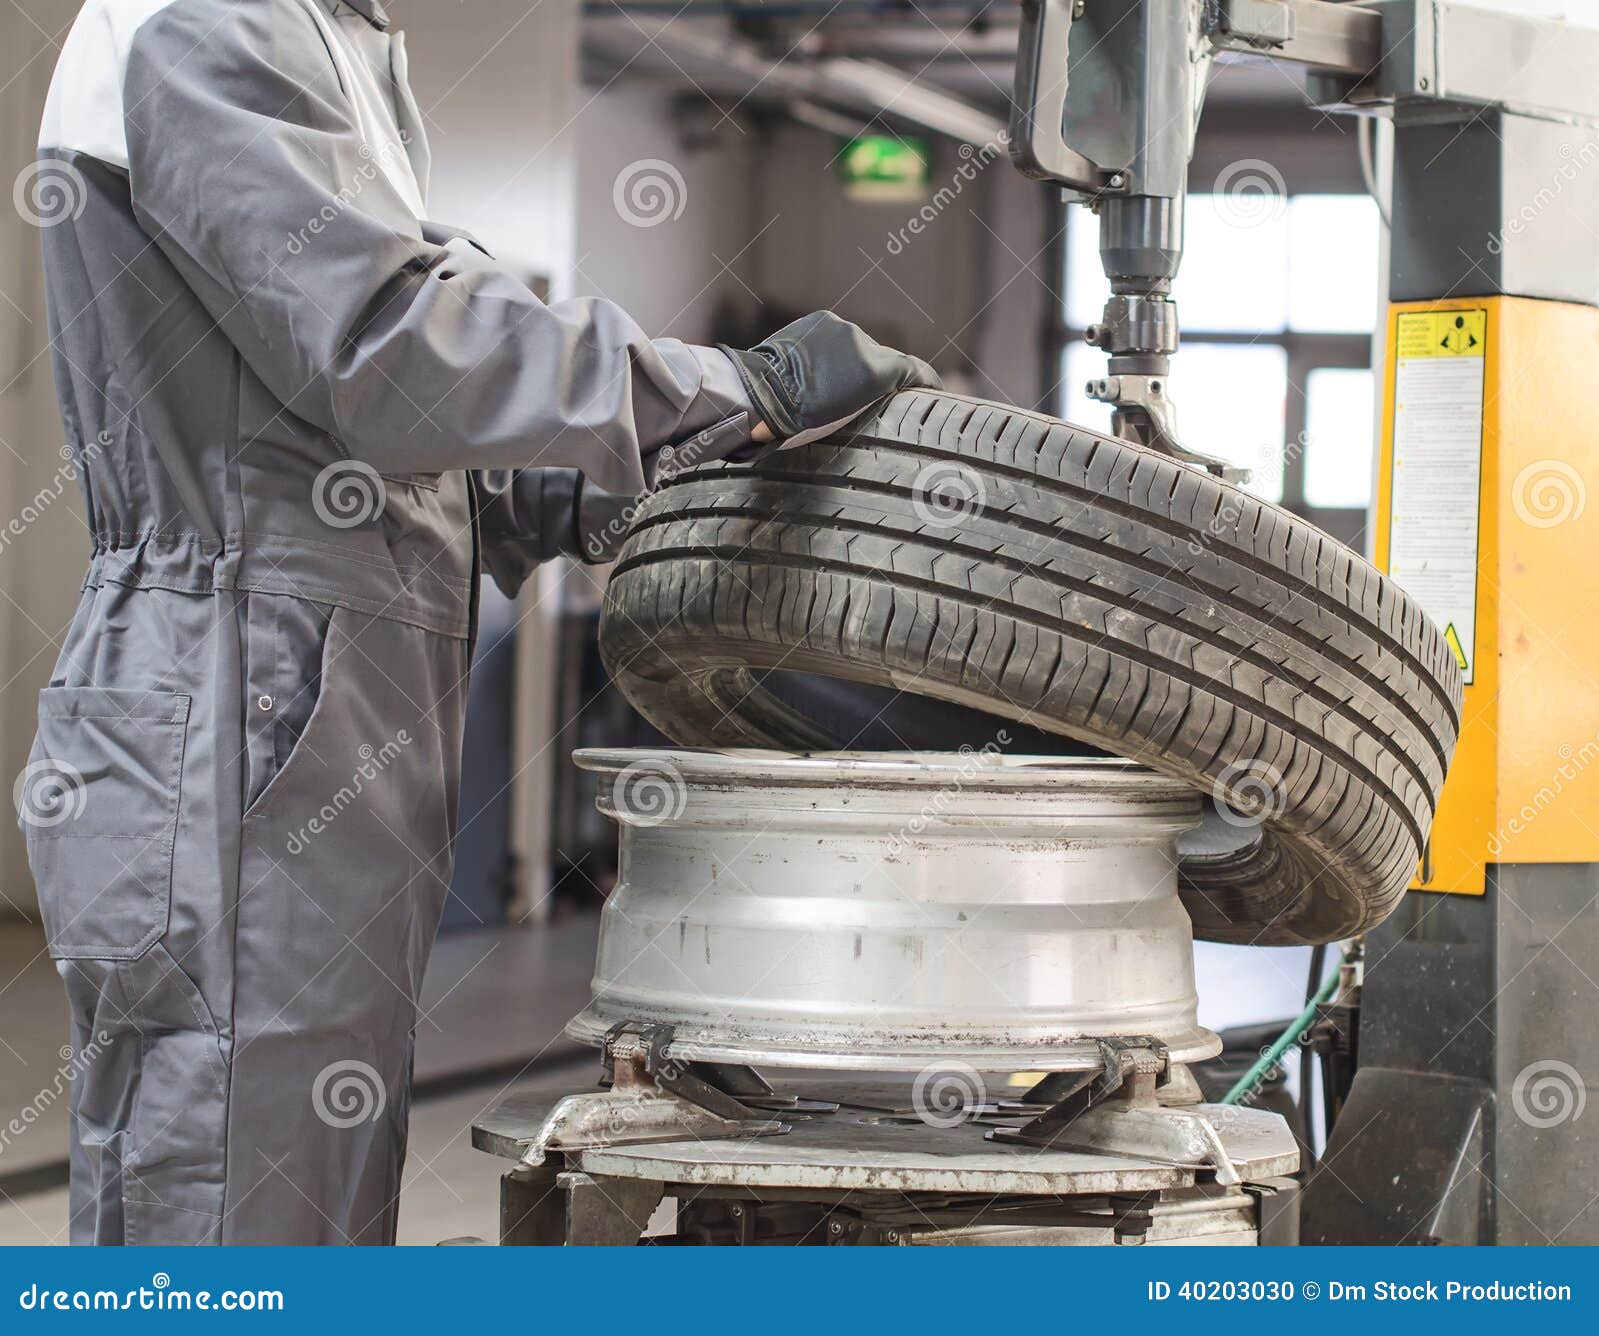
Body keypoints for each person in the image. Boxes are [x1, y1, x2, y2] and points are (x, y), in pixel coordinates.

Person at [25, 0, 937, 1245]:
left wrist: (677, 475)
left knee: (292, 1171)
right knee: (230, 1190)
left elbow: (405, 450)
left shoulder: (329, 40)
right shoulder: (215, 21)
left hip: (290, 698)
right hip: (233, 688)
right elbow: (386, 349)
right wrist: (723, 391)